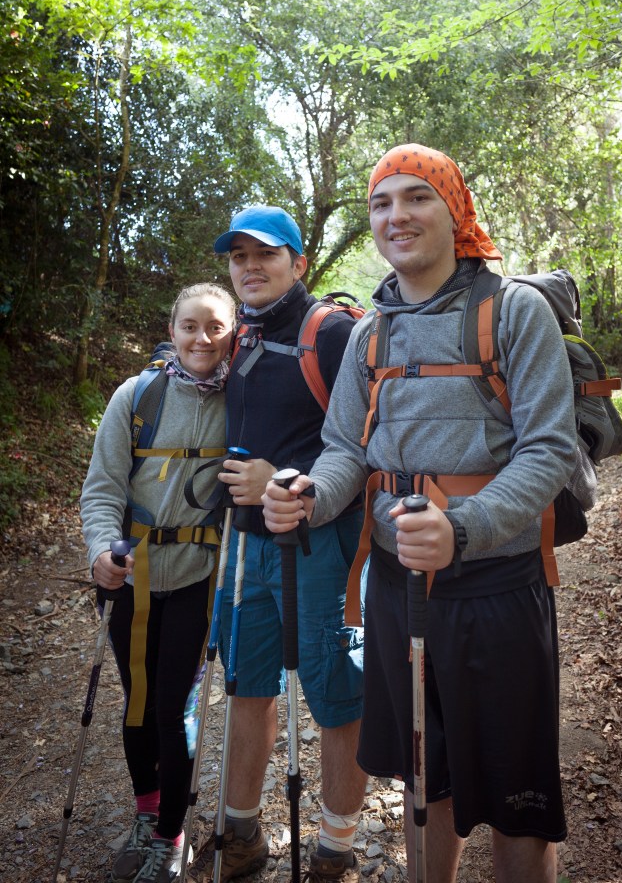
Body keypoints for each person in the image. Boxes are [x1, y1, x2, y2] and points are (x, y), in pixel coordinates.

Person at [263, 144, 578, 883]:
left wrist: (461, 528)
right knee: (421, 778)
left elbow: (547, 451)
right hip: (396, 597)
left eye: (416, 198)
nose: (396, 215)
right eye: (381, 202)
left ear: (453, 209)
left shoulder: (512, 311)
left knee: (514, 795)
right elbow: (345, 448)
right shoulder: (370, 334)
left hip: (497, 588)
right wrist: (310, 496)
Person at [200, 205, 367, 882]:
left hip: (316, 545)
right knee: (246, 686)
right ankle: (240, 833)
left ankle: (334, 845)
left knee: (334, 695)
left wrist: (285, 481)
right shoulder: (236, 338)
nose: (249, 267)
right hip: (241, 549)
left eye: (264, 255)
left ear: (297, 262)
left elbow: (360, 442)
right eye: (238, 257)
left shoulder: (331, 334)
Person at [81, 283, 236, 883]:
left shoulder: (242, 401)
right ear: (171, 331)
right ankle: (147, 815)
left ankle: (172, 833)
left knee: (172, 709)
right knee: (138, 704)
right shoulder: (136, 396)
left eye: (215, 328)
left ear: (232, 334)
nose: (202, 338)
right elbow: (102, 489)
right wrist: (100, 551)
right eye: (190, 326)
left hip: (200, 577)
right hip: (130, 575)